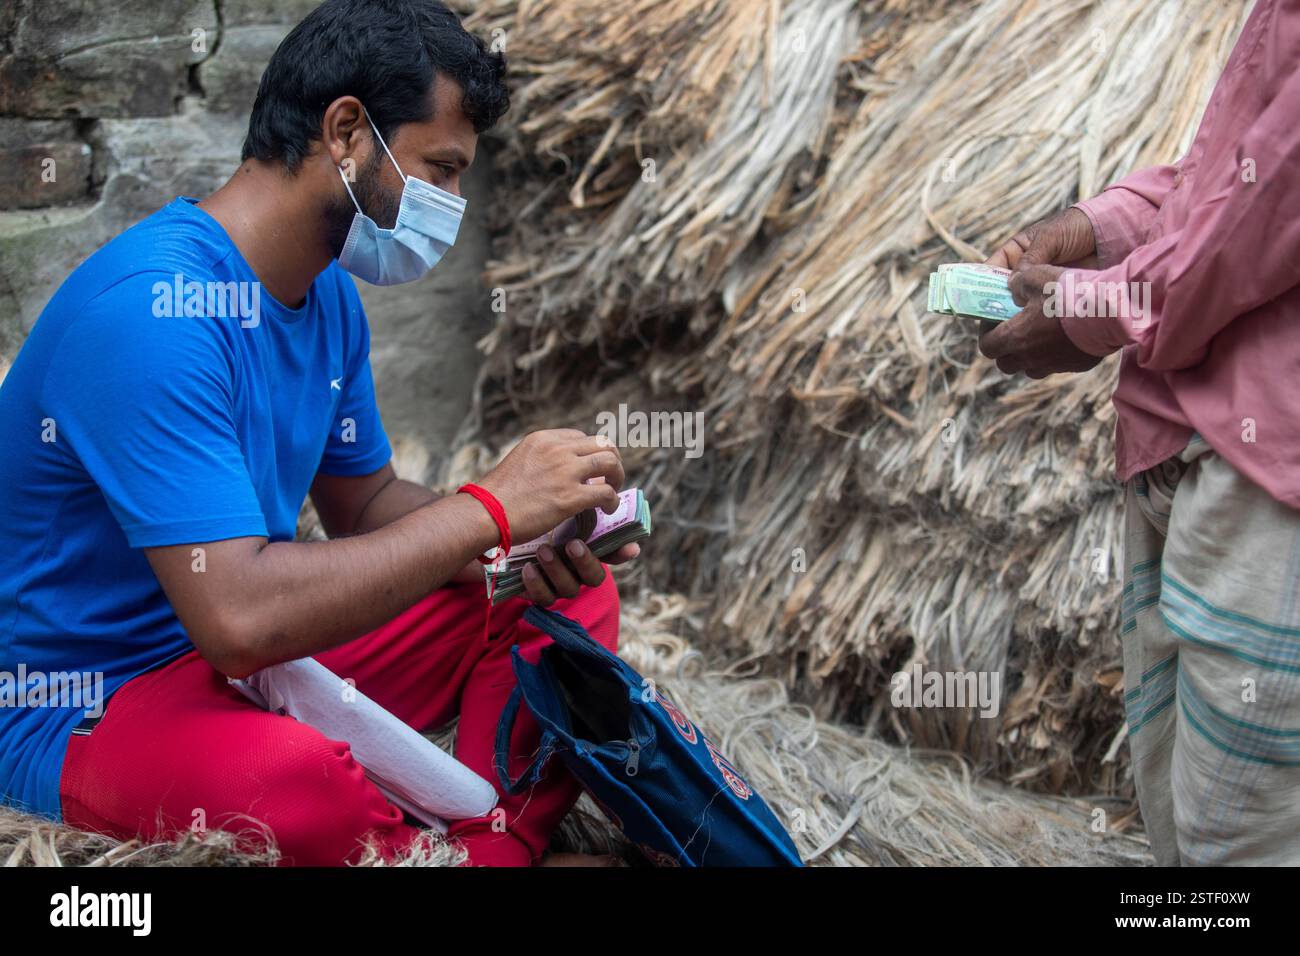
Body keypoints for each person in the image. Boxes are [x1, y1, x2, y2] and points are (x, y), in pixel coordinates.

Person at [0, 0, 637, 867]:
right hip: (96, 699)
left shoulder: (326, 293)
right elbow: (237, 617)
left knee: (563, 601)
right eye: (440, 170)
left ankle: (494, 843)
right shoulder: (155, 314)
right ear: (346, 131)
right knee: (299, 786)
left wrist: (522, 544)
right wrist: (488, 507)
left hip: (259, 660)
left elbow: (365, 502)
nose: (449, 204)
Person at [978, 0, 1299, 865]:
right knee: (1187, 817)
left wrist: (1086, 309)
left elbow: (1259, 221)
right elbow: (1232, 176)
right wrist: (1100, 227)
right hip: (1205, 454)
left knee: (1238, 841)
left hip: (1270, 479)